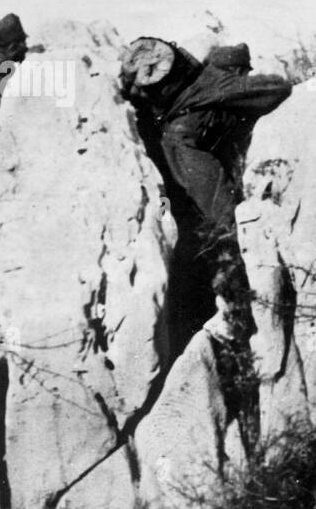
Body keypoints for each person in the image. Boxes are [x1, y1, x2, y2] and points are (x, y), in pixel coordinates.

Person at [120, 37, 292, 353]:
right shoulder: (207, 93)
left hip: (189, 209)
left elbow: (213, 195)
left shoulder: (193, 105)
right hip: (184, 203)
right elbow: (277, 87)